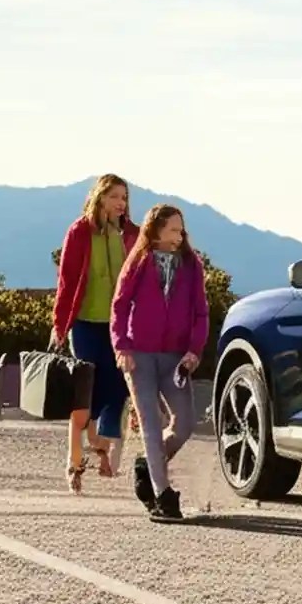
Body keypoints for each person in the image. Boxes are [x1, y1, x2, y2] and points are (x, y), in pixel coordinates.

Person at [111, 203, 209, 522]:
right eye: (173, 230)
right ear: (156, 230)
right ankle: (163, 495)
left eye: (182, 230)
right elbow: (120, 305)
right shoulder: (138, 261)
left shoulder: (192, 265)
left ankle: (147, 466)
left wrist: (194, 350)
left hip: (175, 358)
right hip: (139, 356)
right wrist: (122, 346)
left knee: (183, 424)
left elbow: (200, 313)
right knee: (151, 426)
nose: (179, 236)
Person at [50, 174, 139, 493]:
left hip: (119, 326)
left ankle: (104, 450)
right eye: (115, 196)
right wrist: (60, 325)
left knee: (116, 388)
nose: (121, 203)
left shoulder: (130, 234)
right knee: (84, 394)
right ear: (100, 197)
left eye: (124, 197)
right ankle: (75, 462)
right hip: (86, 324)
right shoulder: (80, 231)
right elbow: (67, 281)